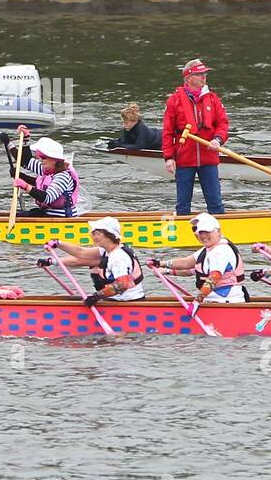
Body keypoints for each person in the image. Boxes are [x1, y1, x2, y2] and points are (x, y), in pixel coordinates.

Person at [161, 59, 228, 216]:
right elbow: (167, 131)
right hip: (184, 159)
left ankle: (219, 233)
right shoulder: (174, 101)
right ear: (189, 77)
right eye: (199, 74)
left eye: (204, 74)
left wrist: (217, 139)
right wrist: (168, 157)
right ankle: (183, 231)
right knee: (183, 204)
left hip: (208, 157)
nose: (204, 77)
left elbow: (223, 124)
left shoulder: (213, 99)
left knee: (215, 202)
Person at [41, 217, 145, 304]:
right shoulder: (107, 250)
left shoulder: (119, 257)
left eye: (97, 233)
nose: (93, 236)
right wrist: (58, 243)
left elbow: (123, 284)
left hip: (126, 302)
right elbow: (81, 253)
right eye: (93, 233)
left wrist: (96, 297)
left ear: (109, 236)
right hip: (116, 299)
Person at [151, 213, 249, 303]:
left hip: (226, 301)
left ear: (218, 231)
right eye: (200, 232)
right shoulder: (208, 249)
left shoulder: (220, 251)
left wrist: (198, 300)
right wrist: (161, 265)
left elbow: (214, 277)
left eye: (207, 232)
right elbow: (186, 264)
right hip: (212, 299)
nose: (203, 236)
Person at [11, 135, 80, 217]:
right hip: (47, 213)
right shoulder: (47, 168)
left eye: (43, 158)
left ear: (54, 160)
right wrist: (22, 140)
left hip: (61, 218)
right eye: (39, 158)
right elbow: (25, 162)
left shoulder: (63, 177)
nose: (40, 161)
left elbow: (47, 198)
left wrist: (25, 186)